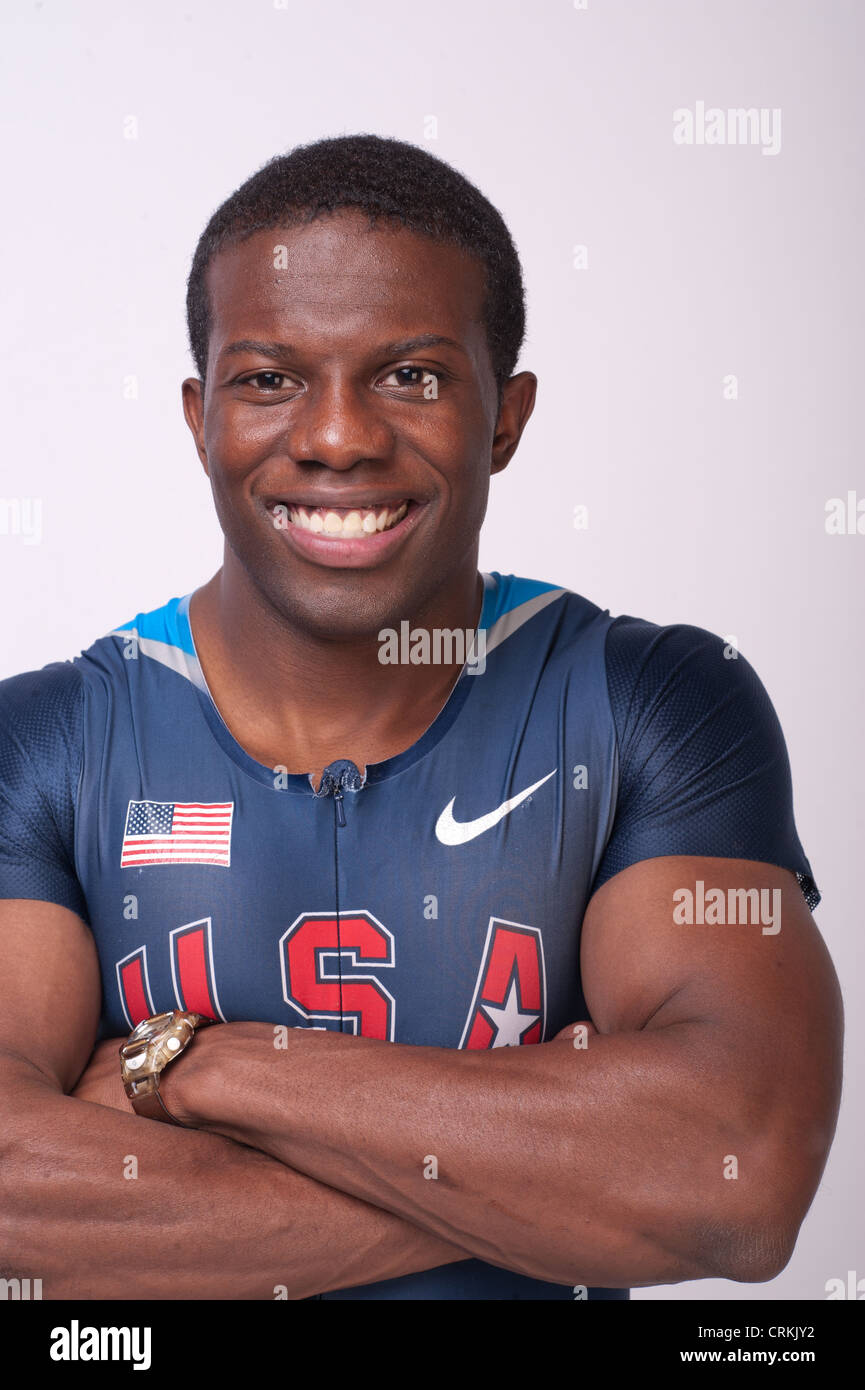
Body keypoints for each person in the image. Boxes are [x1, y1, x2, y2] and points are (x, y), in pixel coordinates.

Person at [0, 134, 842, 1301]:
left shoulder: (650, 701)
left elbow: (732, 1184)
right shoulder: (44, 743)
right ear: (200, 418)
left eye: (413, 375)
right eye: (267, 378)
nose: (338, 436)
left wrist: (191, 1067)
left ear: (504, 415)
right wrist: (548, 1175)